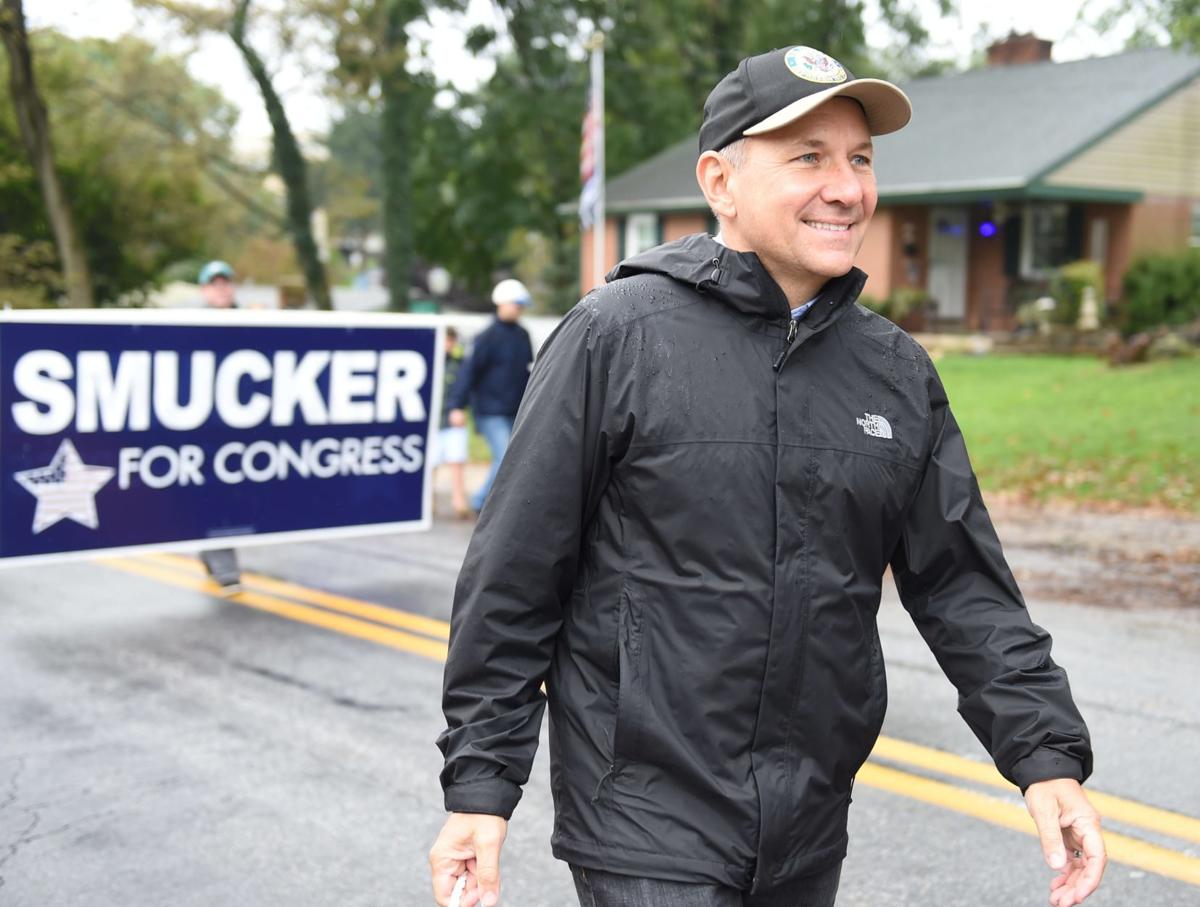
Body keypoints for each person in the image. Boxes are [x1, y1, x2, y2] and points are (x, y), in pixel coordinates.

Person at [430, 46, 1106, 907]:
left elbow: (964, 586)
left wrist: (1045, 757)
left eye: (860, 159)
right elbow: (515, 574)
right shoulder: (616, 336)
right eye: (809, 157)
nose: (847, 187)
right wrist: (481, 788)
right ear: (721, 180)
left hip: (809, 823)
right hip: (644, 818)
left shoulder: (893, 371)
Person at [445, 279, 534, 514]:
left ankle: (499, 505)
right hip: (490, 411)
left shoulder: (522, 336)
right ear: (501, 303)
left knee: (516, 457)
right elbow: (468, 373)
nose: (518, 309)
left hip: (515, 409)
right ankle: (480, 503)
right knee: (505, 455)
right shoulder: (486, 337)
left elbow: (528, 372)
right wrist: (456, 405)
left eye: (521, 305)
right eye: (515, 304)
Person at [197, 260, 242, 594]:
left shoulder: (253, 323)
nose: (221, 288)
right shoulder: (191, 325)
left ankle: (210, 550)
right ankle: (225, 567)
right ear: (204, 290)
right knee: (217, 497)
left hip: (243, 430)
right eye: (214, 284)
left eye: (225, 283)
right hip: (205, 431)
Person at [434, 327, 471, 519]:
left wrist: (460, 407)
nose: (447, 345)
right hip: (433, 421)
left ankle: (459, 501)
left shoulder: (459, 364)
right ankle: (428, 500)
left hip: (452, 418)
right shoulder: (430, 360)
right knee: (431, 463)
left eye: (450, 341)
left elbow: (464, 388)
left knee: (457, 460)